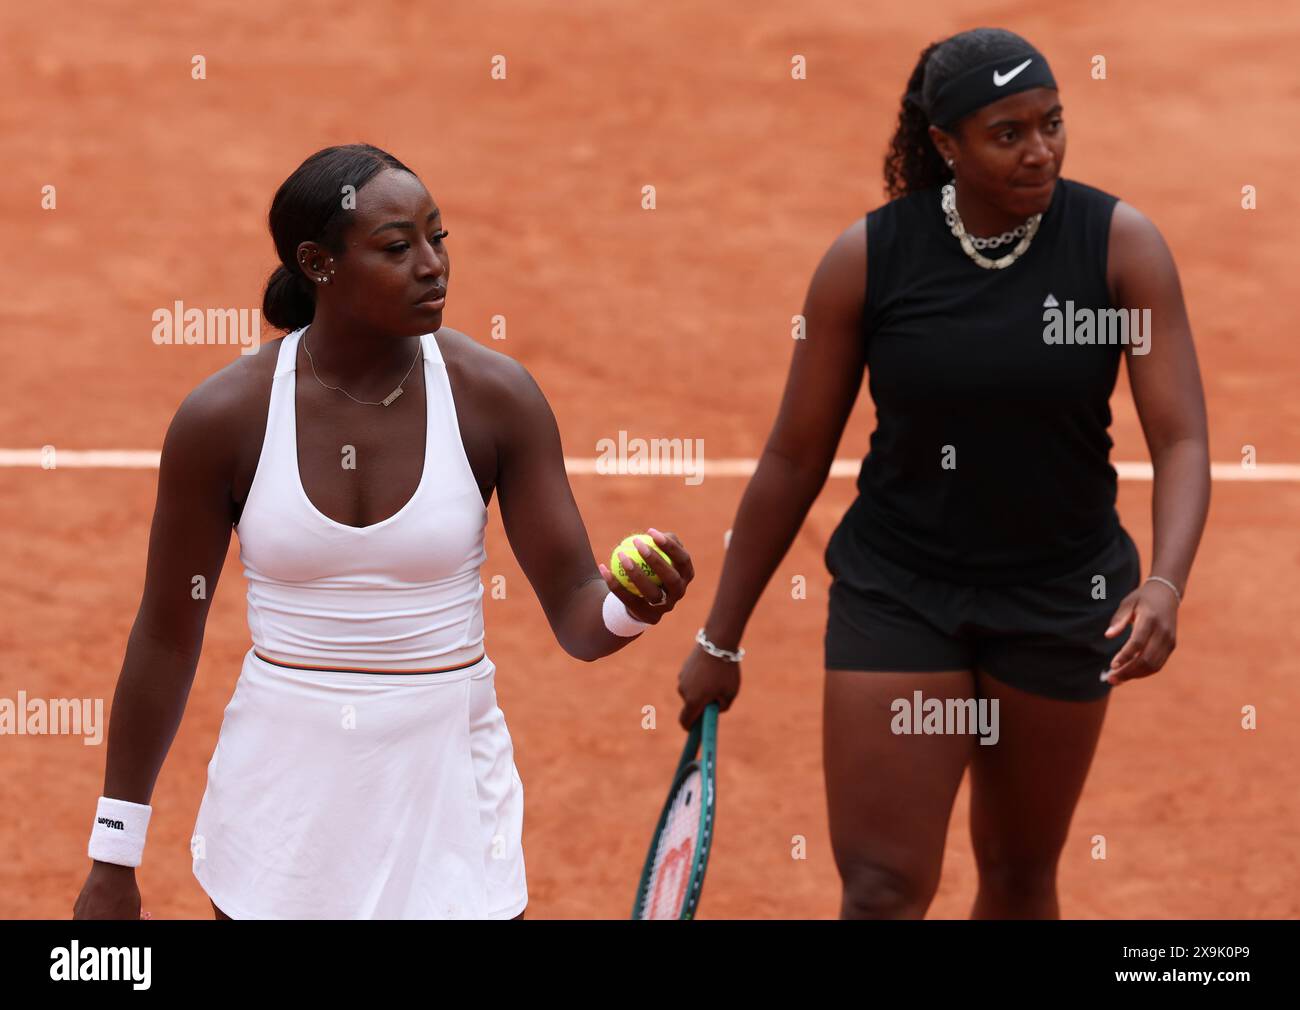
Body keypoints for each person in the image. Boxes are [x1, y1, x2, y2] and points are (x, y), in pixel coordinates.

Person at [73, 143, 693, 920]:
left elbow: (578, 613)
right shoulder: (223, 418)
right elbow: (166, 637)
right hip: (282, 808)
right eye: (398, 248)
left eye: (440, 238)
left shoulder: (494, 398)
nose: (433, 265)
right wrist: (115, 852)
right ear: (318, 263)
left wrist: (632, 607)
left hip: (450, 804)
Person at [675, 28, 1210, 919]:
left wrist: (1165, 581)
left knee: (1018, 879)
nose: (1040, 150)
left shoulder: (1121, 248)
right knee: (882, 890)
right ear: (946, 144)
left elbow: (1184, 438)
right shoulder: (869, 259)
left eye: (1052, 123)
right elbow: (793, 456)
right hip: (900, 592)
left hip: (1060, 598)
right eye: (1008, 133)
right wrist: (720, 638)